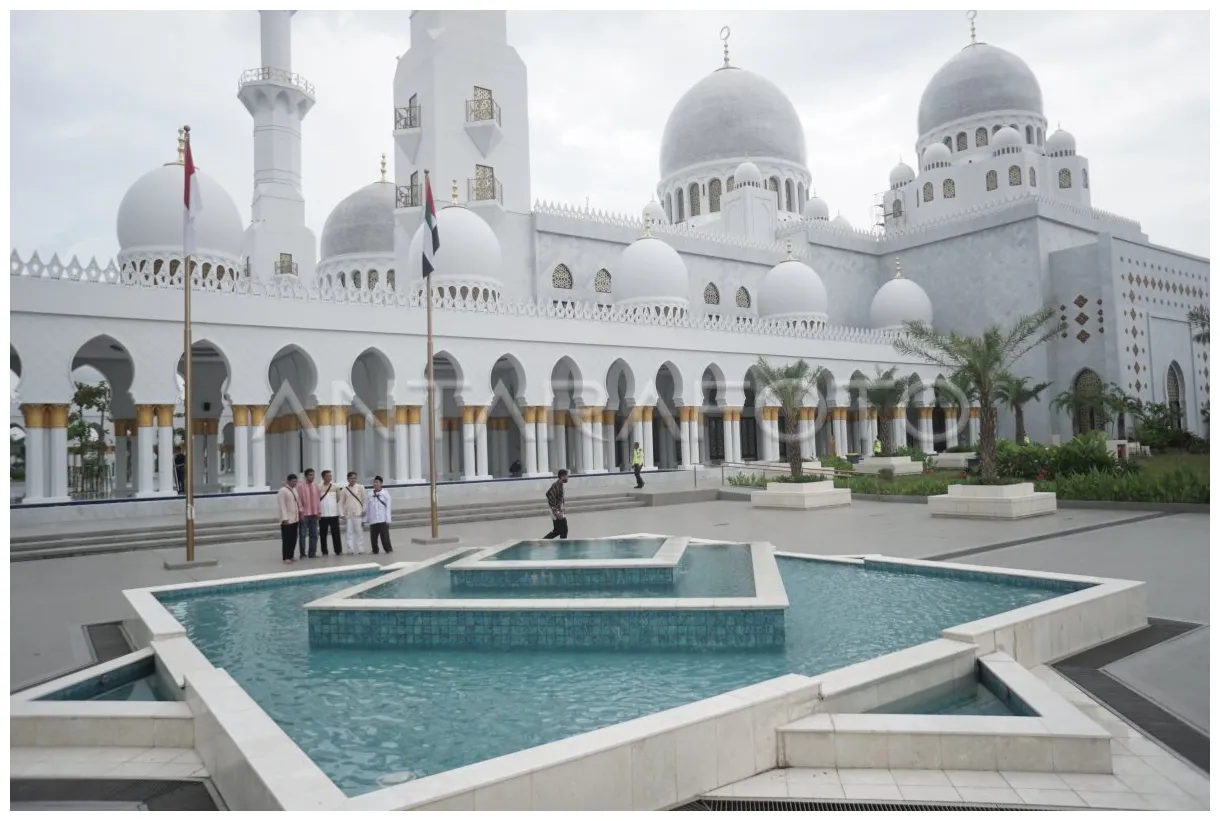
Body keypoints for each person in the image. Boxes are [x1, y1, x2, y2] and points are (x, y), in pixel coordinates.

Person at [338, 471, 367, 555]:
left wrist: (364, 509)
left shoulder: (361, 487)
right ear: (347, 479)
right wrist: (341, 513)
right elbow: (341, 502)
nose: (353, 480)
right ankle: (350, 549)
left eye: (354, 478)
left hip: (358, 512)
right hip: (349, 514)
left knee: (359, 532)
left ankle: (360, 549)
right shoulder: (344, 490)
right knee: (349, 532)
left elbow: (364, 500)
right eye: (351, 478)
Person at [296, 468, 321, 558]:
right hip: (305, 514)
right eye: (310, 475)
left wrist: (319, 511)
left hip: (314, 513)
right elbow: (298, 500)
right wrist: (300, 512)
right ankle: (302, 553)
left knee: (314, 534)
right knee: (302, 534)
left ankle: (312, 553)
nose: (312, 477)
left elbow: (318, 500)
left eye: (313, 475)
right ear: (306, 476)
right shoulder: (300, 486)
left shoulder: (316, 486)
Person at [364, 475, 393, 554]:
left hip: (382, 518)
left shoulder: (385, 494)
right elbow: (367, 507)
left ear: (381, 483)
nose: (375, 484)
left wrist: (388, 519)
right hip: (373, 519)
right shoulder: (369, 494)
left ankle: (388, 549)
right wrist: (365, 519)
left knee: (384, 536)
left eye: (377, 482)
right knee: (373, 537)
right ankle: (375, 550)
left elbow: (388, 507)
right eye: (374, 482)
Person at [277, 473, 301, 564]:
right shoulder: (283, 490)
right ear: (288, 481)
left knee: (293, 538)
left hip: (295, 518)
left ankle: (291, 555)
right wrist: (284, 518)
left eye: (296, 481)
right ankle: (286, 556)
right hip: (287, 519)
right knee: (287, 539)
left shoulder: (295, 490)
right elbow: (282, 505)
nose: (294, 483)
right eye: (293, 481)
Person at [317, 469, 342, 555]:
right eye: (327, 476)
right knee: (323, 534)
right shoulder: (319, 487)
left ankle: (338, 550)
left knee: (336, 533)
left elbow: (338, 498)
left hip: (333, 514)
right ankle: (324, 551)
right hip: (323, 515)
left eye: (330, 476)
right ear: (323, 477)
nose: (329, 478)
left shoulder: (335, 487)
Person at [543, 468, 569, 540]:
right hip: (556, 511)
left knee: (557, 531)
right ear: (562, 476)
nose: (567, 478)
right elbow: (550, 497)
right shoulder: (555, 485)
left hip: (559, 510)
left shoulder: (560, 485)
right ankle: (563, 546)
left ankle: (542, 541)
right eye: (567, 476)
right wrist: (556, 512)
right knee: (564, 530)